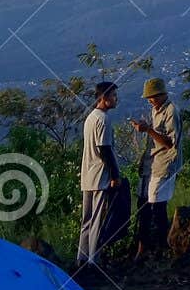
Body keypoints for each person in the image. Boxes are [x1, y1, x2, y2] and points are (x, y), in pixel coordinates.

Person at [130, 78, 183, 259]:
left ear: (160, 95)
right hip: (151, 164)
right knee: (143, 204)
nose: (149, 101)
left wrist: (148, 130)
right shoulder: (156, 110)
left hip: (164, 164)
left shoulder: (171, 111)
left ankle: (162, 246)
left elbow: (169, 143)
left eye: (151, 97)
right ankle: (144, 245)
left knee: (158, 207)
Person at [77, 81, 120, 266]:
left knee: (86, 220)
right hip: (99, 175)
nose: (116, 99)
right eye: (113, 96)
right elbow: (104, 149)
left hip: (87, 174)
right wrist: (115, 175)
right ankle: (93, 260)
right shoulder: (103, 119)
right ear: (104, 98)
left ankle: (81, 258)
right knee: (96, 220)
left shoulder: (90, 118)